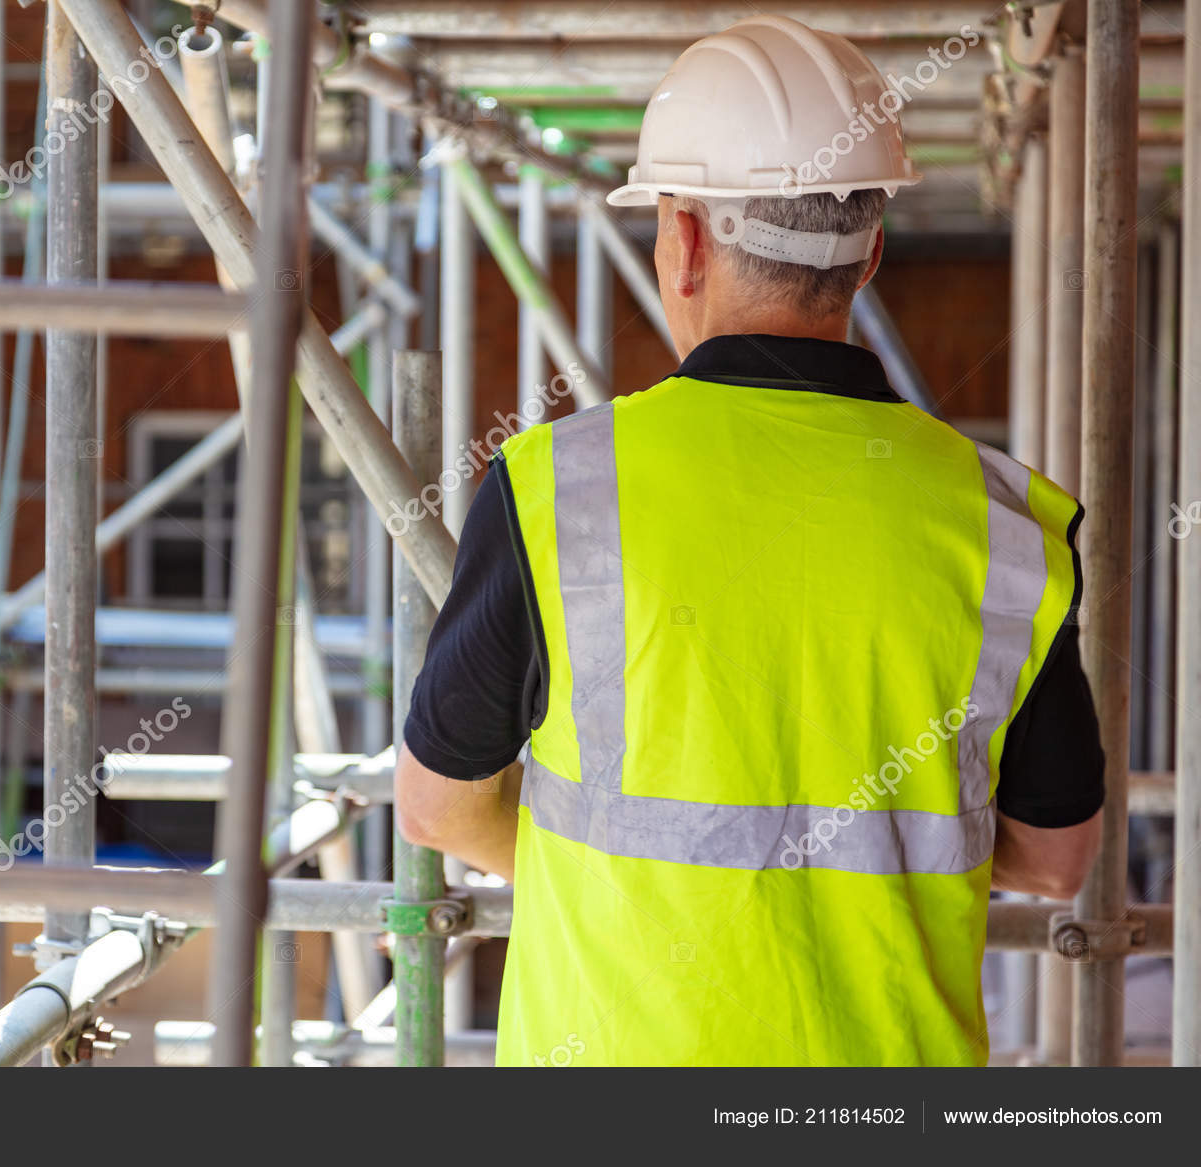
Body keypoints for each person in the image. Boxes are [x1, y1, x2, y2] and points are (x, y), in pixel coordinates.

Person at [393, 13, 1105, 1066]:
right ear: (868, 253)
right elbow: (1054, 863)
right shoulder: (1008, 523)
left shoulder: (557, 487)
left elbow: (437, 810)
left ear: (682, 242)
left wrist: (622, 891)